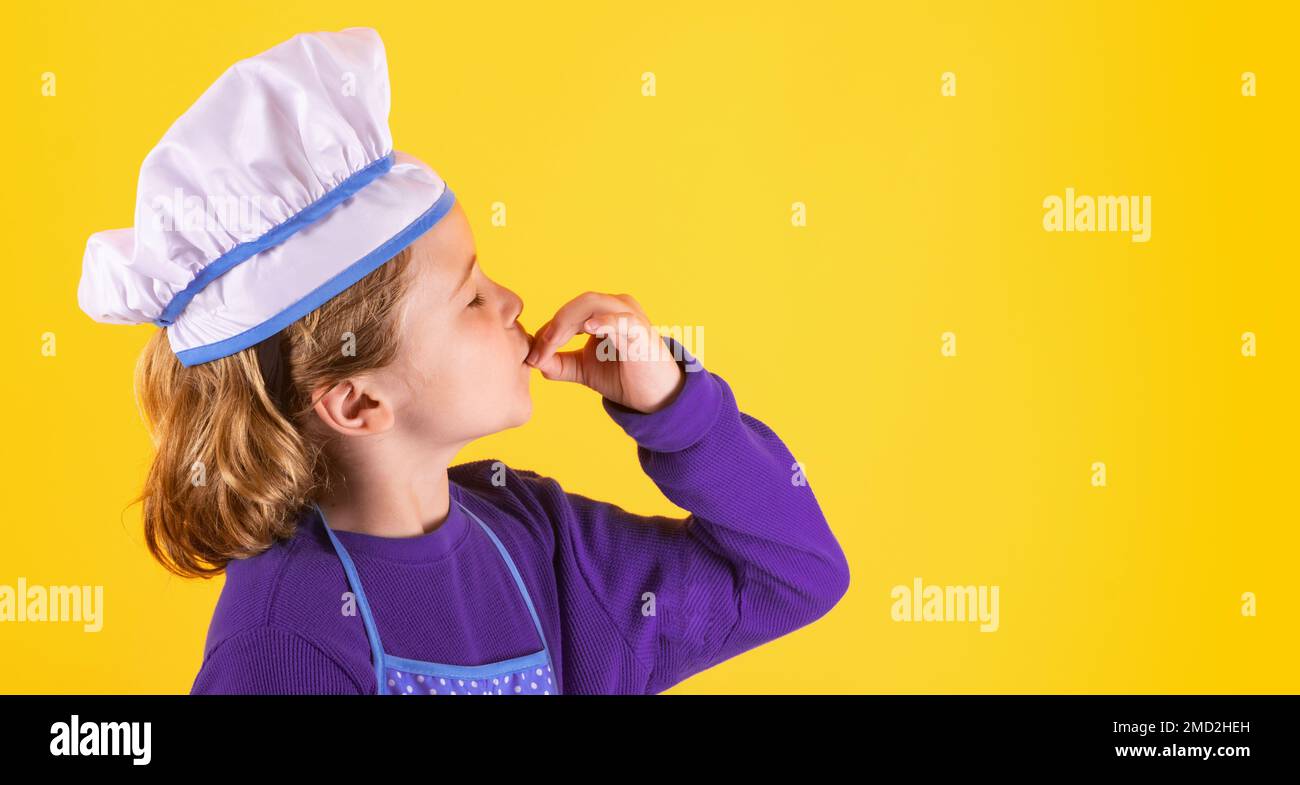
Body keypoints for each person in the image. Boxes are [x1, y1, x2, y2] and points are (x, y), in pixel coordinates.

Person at [78, 27, 850, 695]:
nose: (512, 298)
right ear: (356, 402)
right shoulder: (282, 644)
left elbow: (793, 572)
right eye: (471, 295)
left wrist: (677, 410)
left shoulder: (539, 541)